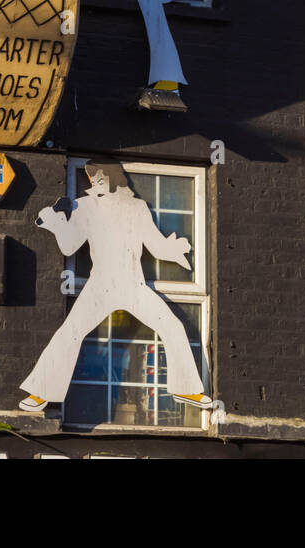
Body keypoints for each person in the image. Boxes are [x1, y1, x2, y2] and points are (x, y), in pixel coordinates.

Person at [20, 161, 213, 415]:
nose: (94, 183)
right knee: (71, 332)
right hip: (100, 284)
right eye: (91, 179)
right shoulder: (86, 206)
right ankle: (41, 391)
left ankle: (185, 388)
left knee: (172, 325)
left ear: (113, 177)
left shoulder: (137, 207)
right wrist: (56, 224)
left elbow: (155, 245)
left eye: (99, 177)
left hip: (134, 284)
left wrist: (174, 250)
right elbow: (69, 246)